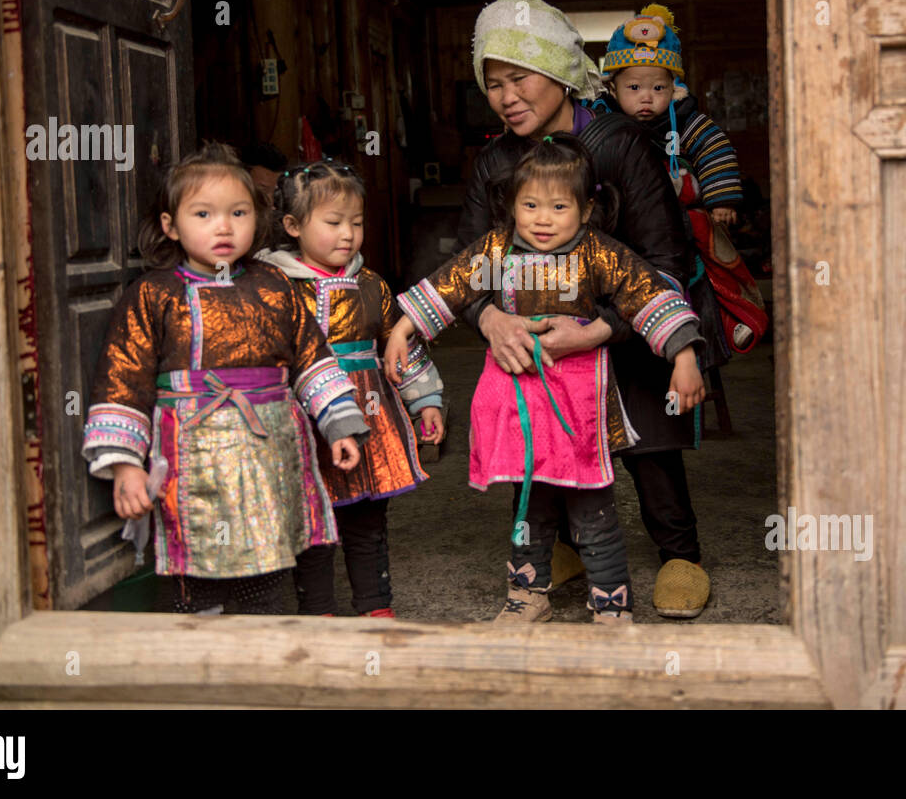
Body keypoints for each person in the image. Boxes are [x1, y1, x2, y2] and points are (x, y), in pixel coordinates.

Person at [454, 0, 714, 618]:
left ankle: (681, 555)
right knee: (540, 446)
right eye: (493, 85)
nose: (506, 96)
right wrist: (491, 319)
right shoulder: (494, 161)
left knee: (648, 440)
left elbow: (667, 259)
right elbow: (468, 269)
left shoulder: (619, 143)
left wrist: (604, 329)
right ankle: (564, 549)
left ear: (559, 73)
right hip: (544, 342)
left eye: (519, 78)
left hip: (628, 323)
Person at [385, 134, 705, 623]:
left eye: (558, 206)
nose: (542, 217)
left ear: (585, 208)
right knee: (528, 508)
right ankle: (526, 597)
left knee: (593, 508)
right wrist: (403, 329)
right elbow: (450, 283)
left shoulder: (600, 254)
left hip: (580, 405)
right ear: (511, 205)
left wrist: (683, 357)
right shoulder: (496, 251)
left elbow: (648, 295)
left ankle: (611, 605)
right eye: (530, 204)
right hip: (519, 404)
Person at [81, 142, 368, 615]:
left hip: (268, 455)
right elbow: (123, 380)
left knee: (266, 563)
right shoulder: (154, 295)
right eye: (203, 214)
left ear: (257, 219)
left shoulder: (274, 286)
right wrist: (127, 465)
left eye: (238, 212)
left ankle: (265, 656)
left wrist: (337, 424)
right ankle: (202, 668)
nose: (224, 227)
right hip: (189, 459)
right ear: (171, 225)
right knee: (195, 573)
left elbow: (312, 359)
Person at [256, 161, 445, 618]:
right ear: (293, 226)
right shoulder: (272, 287)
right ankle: (318, 611)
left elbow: (400, 346)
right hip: (304, 421)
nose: (348, 235)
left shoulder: (371, 284)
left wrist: (427, 401)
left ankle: (375, 608)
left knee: (367, 520)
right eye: (334, 223)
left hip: (370, 418)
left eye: (356, 224)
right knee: (312, 525)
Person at [593, 3, 768, 353]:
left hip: (678, 218)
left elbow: (715, 148)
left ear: (674, 88)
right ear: (612, 89)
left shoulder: (686, 121)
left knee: (712, 252)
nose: (647, 98)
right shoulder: (602, 123)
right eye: (634, 88)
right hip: (625, 218)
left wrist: (720, 202)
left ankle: (734, 316)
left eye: (658, 89)